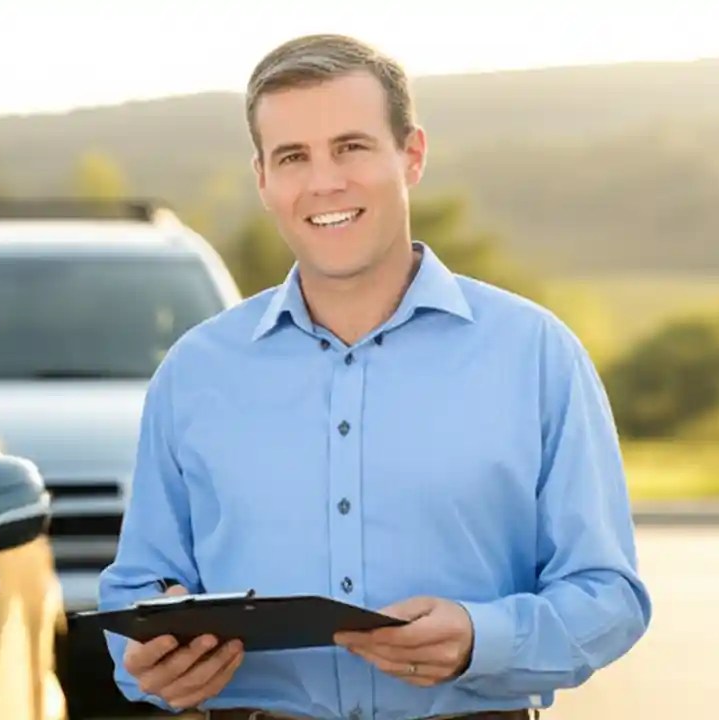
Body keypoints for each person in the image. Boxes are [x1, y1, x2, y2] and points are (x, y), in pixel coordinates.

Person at [96, 33, 651, 720]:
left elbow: (609, 594)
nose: (325, 181)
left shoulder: (535, 354)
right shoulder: (195, 373)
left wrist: (485, 639)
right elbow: (137, 586)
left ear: (411, 155)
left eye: (351, 147)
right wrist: (148, 661)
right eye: (293, 156)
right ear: (264, 179)